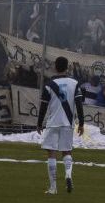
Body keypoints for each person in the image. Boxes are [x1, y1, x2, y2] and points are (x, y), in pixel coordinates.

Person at [36, 56, 85, 195]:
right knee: (67, 151)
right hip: (67, 123)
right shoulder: (74, 83)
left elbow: (43, 106)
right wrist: (81, 123)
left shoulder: (48, 85)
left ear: (55, 67)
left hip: (53, 123)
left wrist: (39, 123)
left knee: (51, 153)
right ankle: (68, 175)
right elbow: (79, 105)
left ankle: (53, 187)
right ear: (67, 67)